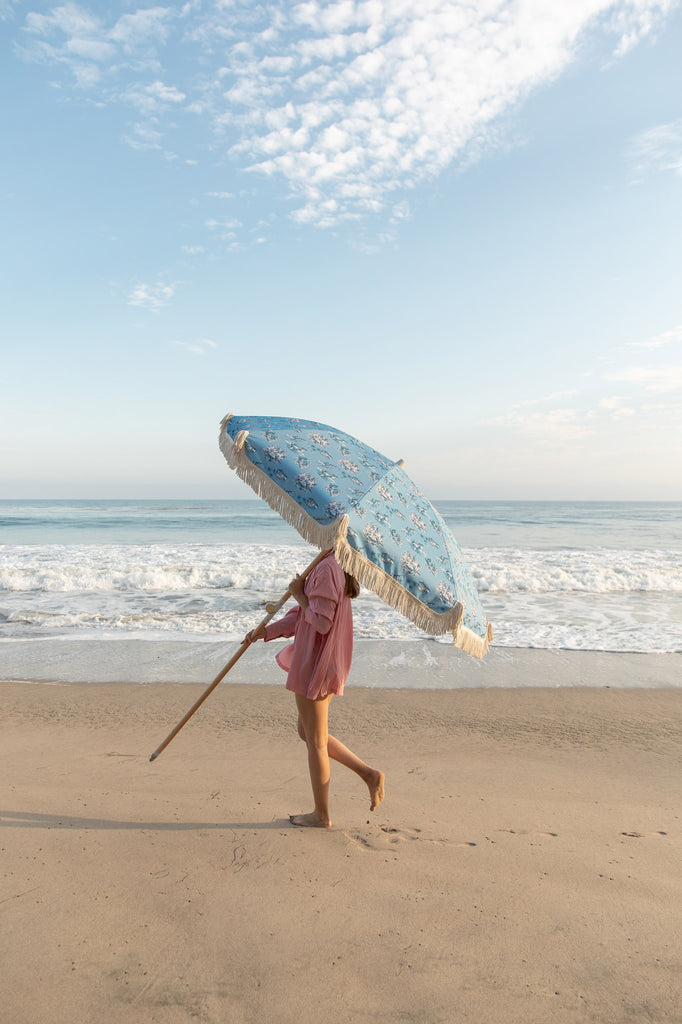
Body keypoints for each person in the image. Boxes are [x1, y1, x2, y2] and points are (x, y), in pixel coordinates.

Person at [245, 550, 384, 829]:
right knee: (306, 732)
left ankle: (321, 815)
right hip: (324, 660)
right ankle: (369, 775)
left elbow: (320, 622)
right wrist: (267, 631)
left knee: (316, 742)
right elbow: (302, 617)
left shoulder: (327, 568)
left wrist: (298, 593)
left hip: (316, 665)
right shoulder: (331, 564)